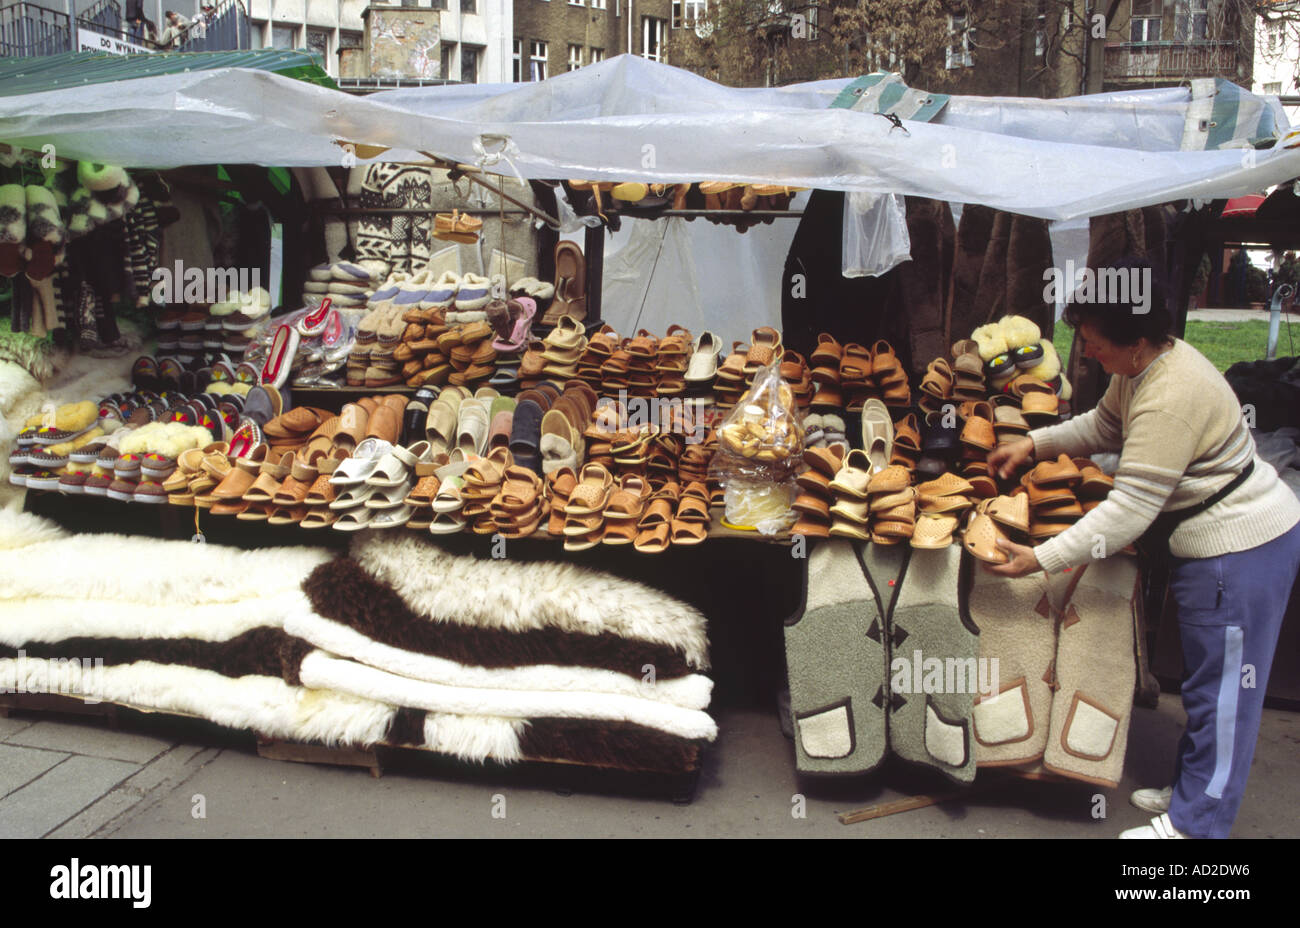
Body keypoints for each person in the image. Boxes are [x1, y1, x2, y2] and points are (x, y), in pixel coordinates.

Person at [986, 256, 1300, 840]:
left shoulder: (1170, 396)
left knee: (1224, 696)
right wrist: (1034, 443)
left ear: (1136, 341)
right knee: (1211, 685)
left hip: (1242, 548)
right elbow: (1104, 428)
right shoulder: (1139, 369)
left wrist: (1043, 557)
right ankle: (1194, 795)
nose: (1088, 353)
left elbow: (1130, 510)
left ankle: (1195, 829)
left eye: (1095, 343)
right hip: (1216, 543)